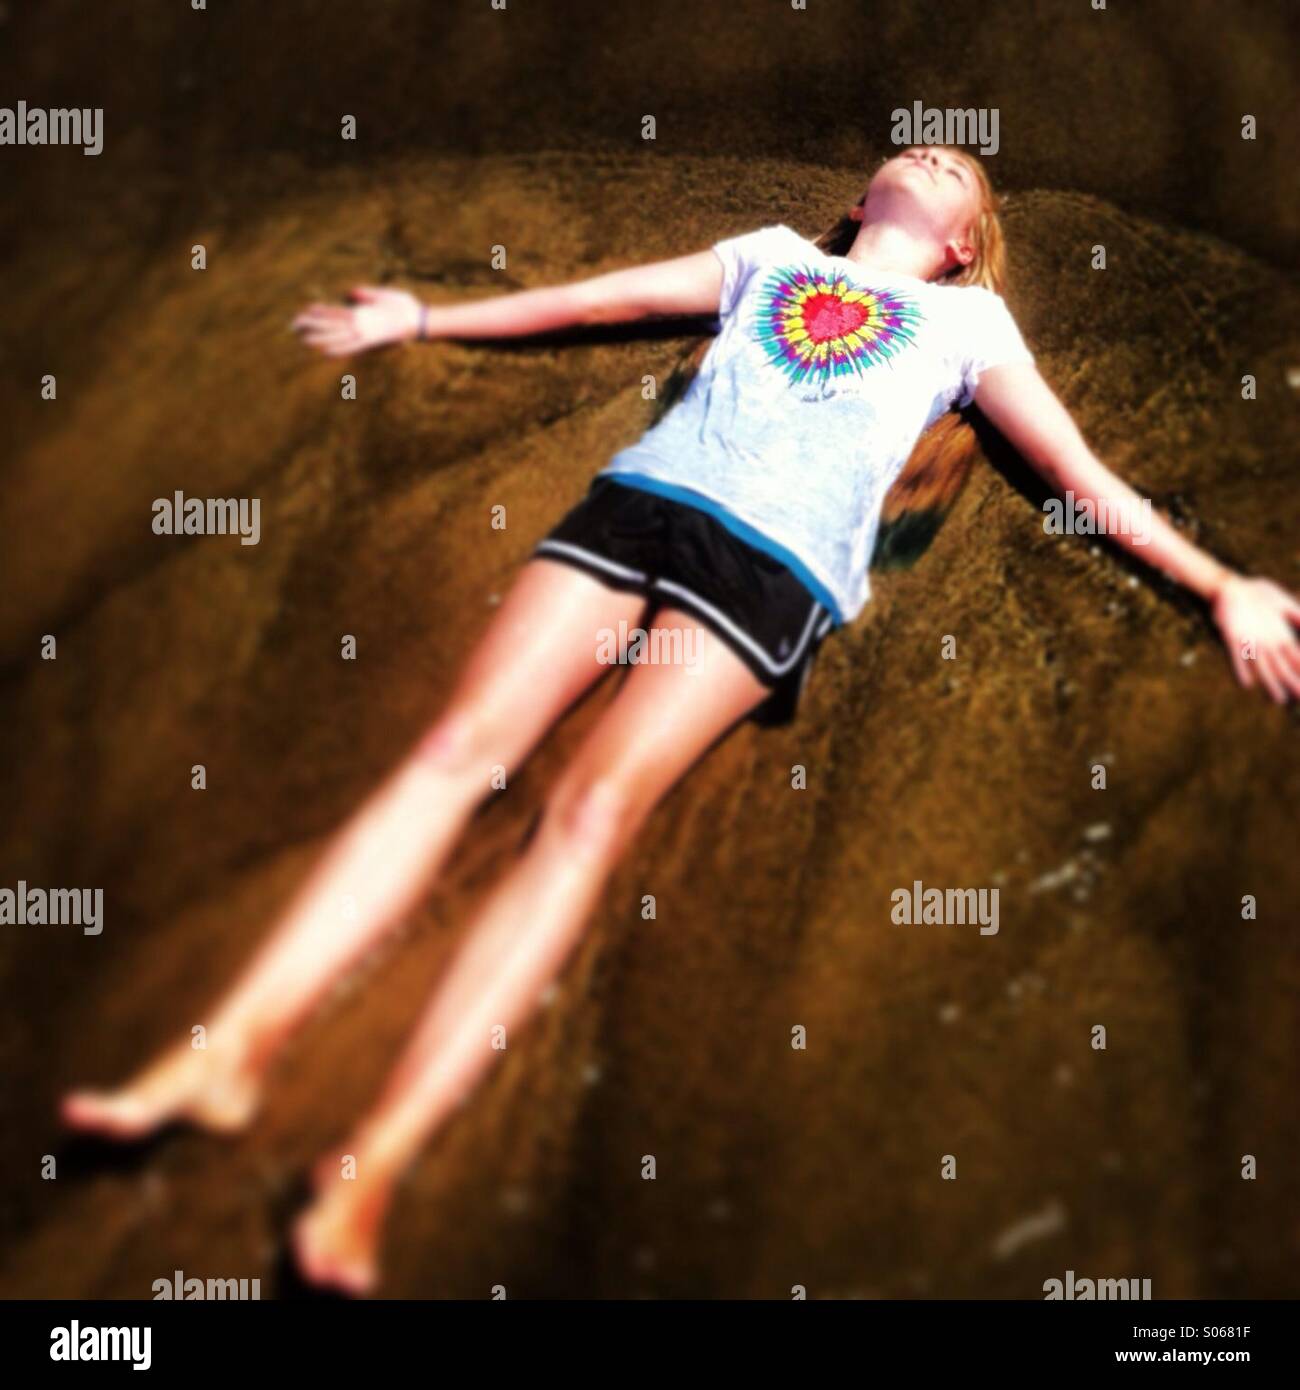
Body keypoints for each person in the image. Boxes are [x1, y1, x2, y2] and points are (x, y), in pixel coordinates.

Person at [60, 145, 1300, 1294]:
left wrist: (1218, 582)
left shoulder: (969, 325)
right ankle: (229, 1052)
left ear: (963, 242)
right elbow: (594, 299)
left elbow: (1080, 475)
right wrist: (425, 316)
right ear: (864, 200)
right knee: (452, 751)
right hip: (638, 509)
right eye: (909, 151)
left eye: (952, 167)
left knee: (586, 815)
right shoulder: (769, 256)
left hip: (771, 567)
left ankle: (373, 1163)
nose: (926, 154)